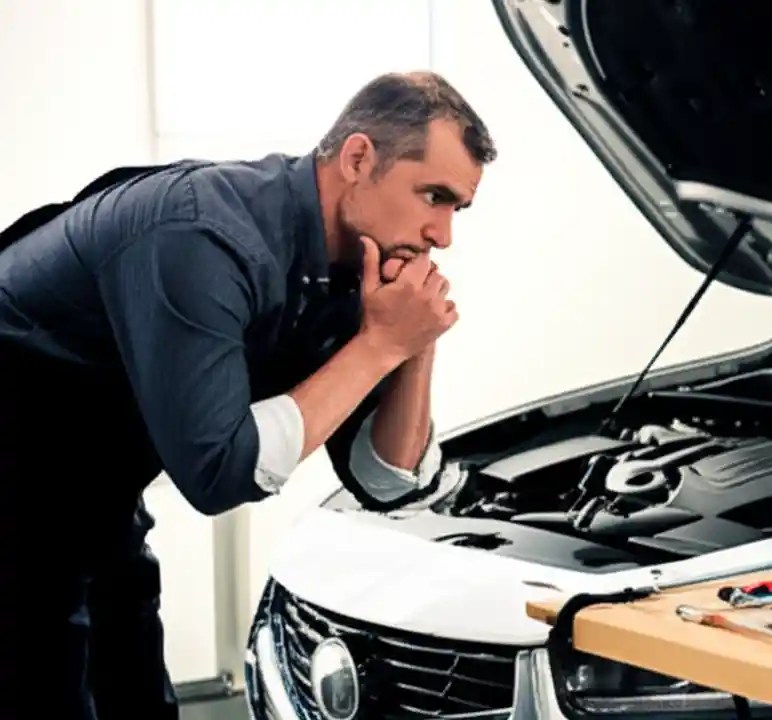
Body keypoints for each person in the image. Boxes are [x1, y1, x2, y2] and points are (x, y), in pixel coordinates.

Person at [0, 70, 496, 719]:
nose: (443, 234)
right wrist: (380, 345)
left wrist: (413, 341)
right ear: (357, 158)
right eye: (433, 196)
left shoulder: (354, 270)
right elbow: (219, 472)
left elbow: (387, 481)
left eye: (458, 209)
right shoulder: (200, 233)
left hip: (91, 497)